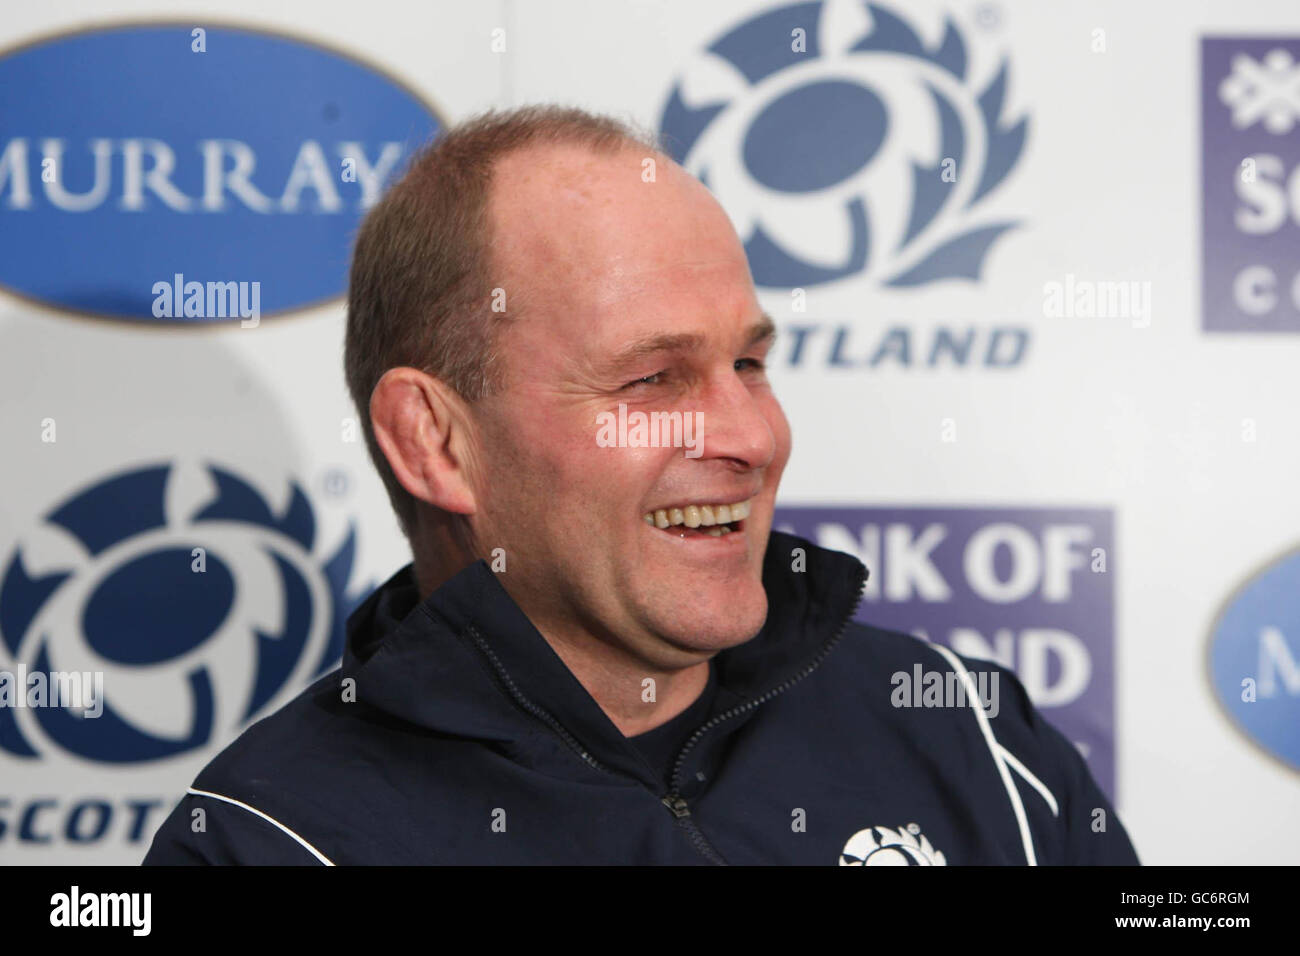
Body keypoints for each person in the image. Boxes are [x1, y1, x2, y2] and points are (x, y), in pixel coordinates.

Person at [143, 105, 1139, 865]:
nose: (753, 434)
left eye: (749, 364)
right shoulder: (268, 841)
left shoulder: (963, 729)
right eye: (653, 378)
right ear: (435, 441)